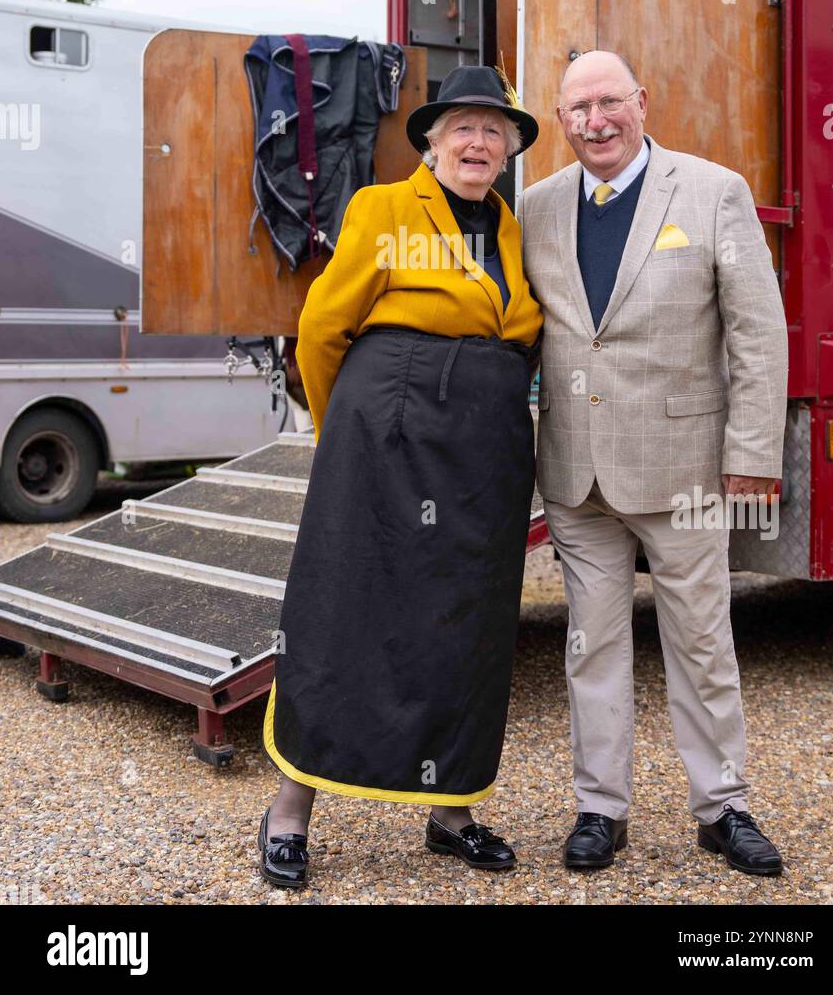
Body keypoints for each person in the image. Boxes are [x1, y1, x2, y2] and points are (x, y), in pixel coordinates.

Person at [258, 64, 543, 888]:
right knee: (343, 605)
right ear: (430, 140)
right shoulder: (381, 207)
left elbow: (519, 330)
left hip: (481, 445)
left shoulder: (509, 225)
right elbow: (321, 327)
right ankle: (289, 811)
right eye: (463, 127)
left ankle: (451, 810)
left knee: (470, 620)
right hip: (385, 430)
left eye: (495, 130)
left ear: (511, 147)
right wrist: (340, 427)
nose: (478, 141)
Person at [518, 49, 789, 877]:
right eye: (578, 109)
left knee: (703, 642)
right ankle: (601, 808)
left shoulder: (713, 192)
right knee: (590, 646)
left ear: (642, 100)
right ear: (560, 121)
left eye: (609, 102)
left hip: (692, 472)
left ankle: (723, 807)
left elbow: (758, 331)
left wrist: (752, 455)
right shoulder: (534, 206)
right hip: (577, 475)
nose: (595, 121)